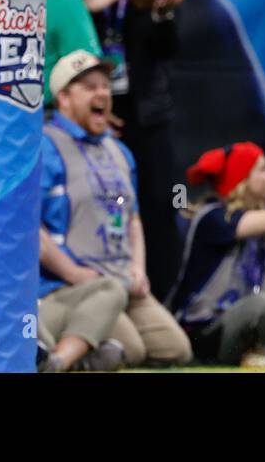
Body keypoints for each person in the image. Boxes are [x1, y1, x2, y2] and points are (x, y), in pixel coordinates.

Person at [40, 50, 192, 366]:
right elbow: (29, 225)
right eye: (89, 87)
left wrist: (137, 268)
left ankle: (93, 352)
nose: (102, 94)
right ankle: (66, 355)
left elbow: (132, 217)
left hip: (123, 281)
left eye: (105, 86)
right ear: (64, 98)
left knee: (176, 349)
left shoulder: (119, 150)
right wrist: (73, 273)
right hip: (74, 285)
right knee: (134, 351)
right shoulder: (47, 145)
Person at [71, 0, 187, 301]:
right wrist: (89, 6)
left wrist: (161, 17)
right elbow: (69, 51)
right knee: (97, 205)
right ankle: (100, 298)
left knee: (157, 207)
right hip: (93, 115)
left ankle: (163, 304)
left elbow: (169, 51)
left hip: (145, 112)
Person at [168, 142, 265, 368]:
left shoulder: (255, 216)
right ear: (241, 179)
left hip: (240, 328)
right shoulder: (213, 218)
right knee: (261, 306)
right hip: (205, 334)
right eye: (263, 169)